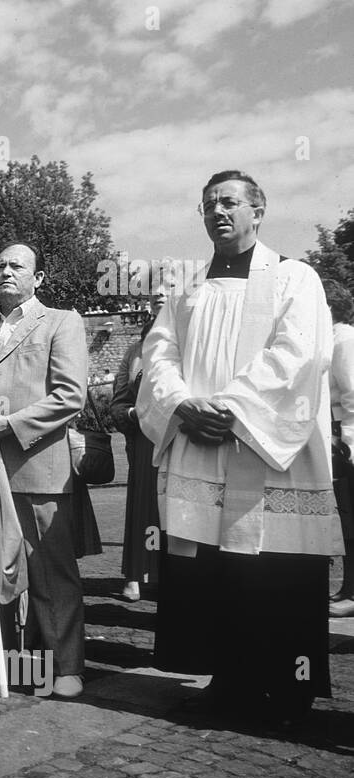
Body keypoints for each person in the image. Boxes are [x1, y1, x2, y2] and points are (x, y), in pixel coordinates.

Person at [137, 170, 341, 723]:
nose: (217, 213)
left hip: (272, 456)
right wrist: (181, 404)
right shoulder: (186, 288)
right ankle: (228, 683)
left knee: (276, 571)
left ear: (259, 210)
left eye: (229, 202)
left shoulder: (295, 278)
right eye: (207, 205)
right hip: (201, 447)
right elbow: (158, 356)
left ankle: (289, 690)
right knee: (213, 572)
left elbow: (297, 354)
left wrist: (229, 409)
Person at [0, 241, 88, 699]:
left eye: (18, 265)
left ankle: (66, 664)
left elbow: (70, 395)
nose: (6, 272)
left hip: (39, 465)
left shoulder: (61, 322)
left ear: (39, 278)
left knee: (49, 570)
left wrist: (7, 425)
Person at [110, 285, 168, 601]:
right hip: (145, 439)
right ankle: (135, 574)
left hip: (180, 437)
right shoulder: (134, 352)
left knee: (173, 508)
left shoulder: (191, 343)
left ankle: (164, 571)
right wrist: (135, 413)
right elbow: (118, 402)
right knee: (143, 506)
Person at [327, 279, 354, 603]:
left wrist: (346, 442)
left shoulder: (344, 339)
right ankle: (348, 589)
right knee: (346, 519)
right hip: (333, 435)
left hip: (343, 438)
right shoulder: (331, 339)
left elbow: (352, 395)